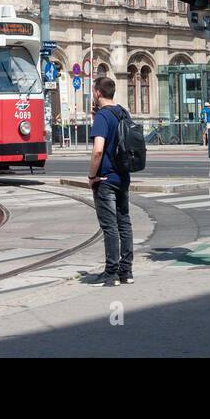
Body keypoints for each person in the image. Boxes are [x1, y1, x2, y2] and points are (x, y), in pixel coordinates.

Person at [87, 75, 133, 287]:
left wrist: (91, 176)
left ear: (97, 92)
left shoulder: (103, 117)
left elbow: (98, 151)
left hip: (105, 178)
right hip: (123, 176)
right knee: (124, 223)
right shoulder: (123, 113)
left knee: (110, 226)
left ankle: (111, 272)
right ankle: (126, 271)